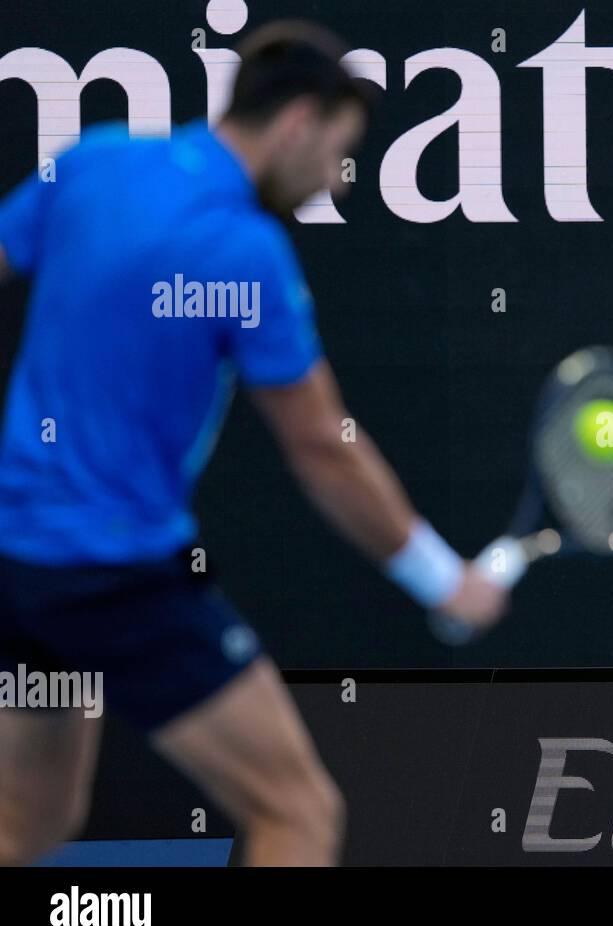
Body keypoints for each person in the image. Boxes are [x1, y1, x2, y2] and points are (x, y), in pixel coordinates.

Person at [0, 21, 506, 866]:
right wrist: (439, 578)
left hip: (14, 569)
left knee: (25, 827)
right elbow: (322, 445)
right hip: (115, 581)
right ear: (297, 123)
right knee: (298, 814)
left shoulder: (95, 162)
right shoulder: (246, 251)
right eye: (337, 152)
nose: (332, 178)